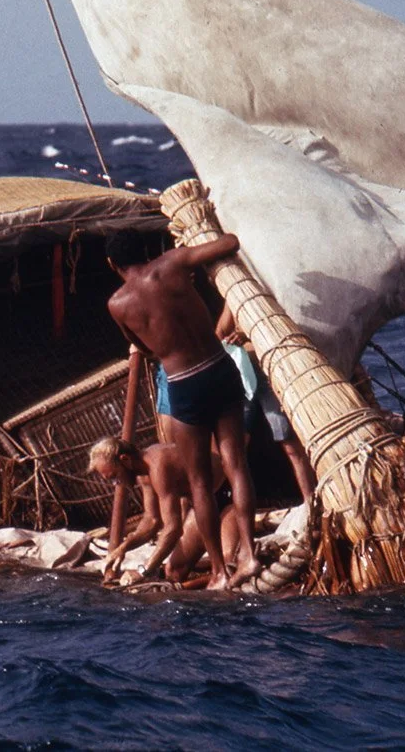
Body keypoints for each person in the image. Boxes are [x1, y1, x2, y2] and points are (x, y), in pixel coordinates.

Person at [104, 229, 259, 590]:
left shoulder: (118, 304)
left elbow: (140, 346)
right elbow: (232, 242)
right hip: (219, 367)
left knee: (200, 481)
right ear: (147, 249)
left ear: (113, 264)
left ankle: (220, 572)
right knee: (236, 464)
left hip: (184, 383)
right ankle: (250, 555)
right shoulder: (173, 262)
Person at [89, 437, 238, 587]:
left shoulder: (158, 465)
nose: (116, 483)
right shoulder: (144, 474)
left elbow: (173, 528)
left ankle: (204, 583)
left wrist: (143, 571)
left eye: (114, 477)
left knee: (227, 564)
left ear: (125, 460)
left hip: (227, 495)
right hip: (204, 506)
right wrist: (122, 548)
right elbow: (151, 521)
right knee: (173, 570)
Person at [216, 309, 317, 505]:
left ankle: (310, 499)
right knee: (236, 446)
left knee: (289, 441)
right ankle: (231, 504)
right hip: (243, 375)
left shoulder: (270, 296)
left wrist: (248, 335)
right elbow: (219, 332)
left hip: (269, 372)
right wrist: (229, 343)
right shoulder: (233, 299)